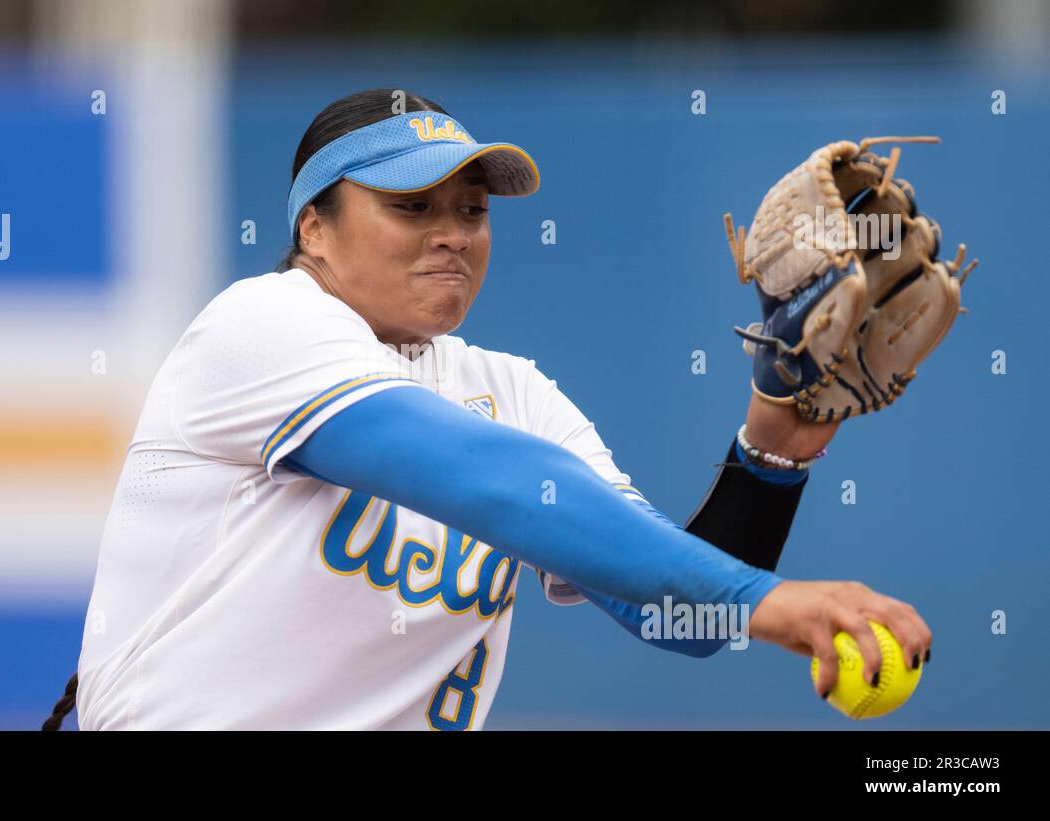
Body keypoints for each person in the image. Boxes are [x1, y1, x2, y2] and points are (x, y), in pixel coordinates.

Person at [49, 88, 931, 731]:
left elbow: (669, 606)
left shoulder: (510, 390)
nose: (453, 233)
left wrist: (775, 447)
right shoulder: (260, 325)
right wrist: (765, 601)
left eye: (471, 209)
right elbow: (484, 478)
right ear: (312, 227)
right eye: (410, 206)